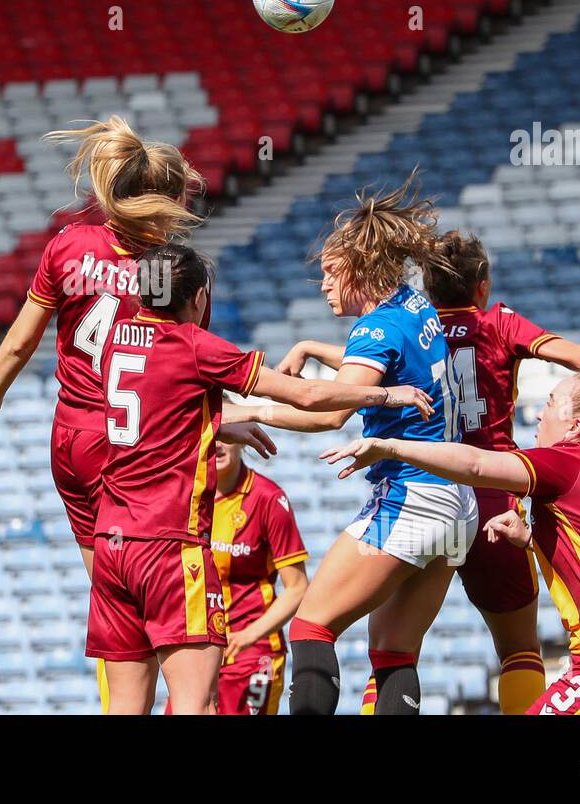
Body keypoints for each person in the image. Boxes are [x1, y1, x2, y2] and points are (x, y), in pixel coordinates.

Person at [0, 116, 248, 708]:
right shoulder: (178, 272)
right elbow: (180, 368)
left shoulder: (67, 245)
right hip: (132, 444)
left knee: (113, 600)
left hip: (70, 437)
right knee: (164, 606)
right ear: (165, 200)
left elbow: (19, 340)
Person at [90, 244, 433, 715]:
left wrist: (212, 422)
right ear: (198, 298)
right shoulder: (196, 346)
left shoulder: (114, 338)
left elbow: (148, 408)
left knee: (125, 708)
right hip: (170, 546)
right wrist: (388, 393)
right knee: (198, 704)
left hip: (111, 544)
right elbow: (310, 396)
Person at [363, 230, 580, 715]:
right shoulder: (498, 323)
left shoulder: (410, 325)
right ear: (482, 285)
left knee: (393, 648)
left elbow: (359, 369)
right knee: (519, 650)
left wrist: (310, 353)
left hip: (427, 494)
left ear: (427, 286)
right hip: (492, 496)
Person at [231, 171, 473, 715]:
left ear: (361, 269)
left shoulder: (374, 330)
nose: (322, 284)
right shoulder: (413, 305)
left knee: (312, 624)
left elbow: (330, 412)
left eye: (330, 273)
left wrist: (245, 409)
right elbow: (387, 366)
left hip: (413, 495)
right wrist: (314, 346)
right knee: (393, 653)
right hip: (459, 507)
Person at [323, 370, 580, 715]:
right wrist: (531, 538)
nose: (539, 415)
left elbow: (478, 466)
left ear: (575, 426)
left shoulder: (571, 461)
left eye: (550, 402)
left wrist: (392, 448)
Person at [205, 441, 310, 715]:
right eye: (213, 432)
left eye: (226, 432)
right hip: (199, 652)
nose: (218, 444)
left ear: (242, 438)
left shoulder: (268, 498)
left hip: (252, 655)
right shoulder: (189, 495)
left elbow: (297, 588)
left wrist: (245, 637)